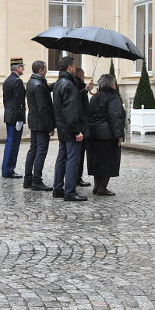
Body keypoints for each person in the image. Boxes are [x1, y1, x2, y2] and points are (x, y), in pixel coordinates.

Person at [51, 56, 88, 202]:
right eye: (74, 66)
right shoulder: (69, 84)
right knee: (73, 160)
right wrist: (76, 131)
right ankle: (70, 191)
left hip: (62, 127)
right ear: (70, 68)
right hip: (70, 128)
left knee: (62, 158)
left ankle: (57, 188)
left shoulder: (58, 83)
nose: (74, 68)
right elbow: (71, 110)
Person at [85, 74, 125, 196]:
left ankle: (97, 186)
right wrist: (119, 135)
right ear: (112, 84)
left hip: (93, 134)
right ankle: (102, 188)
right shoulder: (113, 96)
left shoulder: (95, 97)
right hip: (107, 135)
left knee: (97, 162)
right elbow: (115, 116)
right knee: (108, 162)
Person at [23, 60, 54, 192]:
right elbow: (43, 108)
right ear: (41, 70)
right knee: (41, 151)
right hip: (41, 123)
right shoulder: (39, 85)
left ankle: (27, 179)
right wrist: (50, 127)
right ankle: (36, 180)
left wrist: (55, 84)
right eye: (45, 69)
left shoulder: (32, 81)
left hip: (34, 120)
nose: (46, 71)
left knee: (33, 149)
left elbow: (45, 90)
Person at [1, 57, 26, 178]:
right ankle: (9, 169)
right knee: (13, 144)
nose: (23, 69)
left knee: (10, 142)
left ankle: (6, 169)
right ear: (17, 67)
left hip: (9, 114)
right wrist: (20, 118)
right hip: (15, 116)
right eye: (22, 67)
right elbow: (19, 101)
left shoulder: (7, 80)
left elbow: (6, 100)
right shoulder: (18, 81)